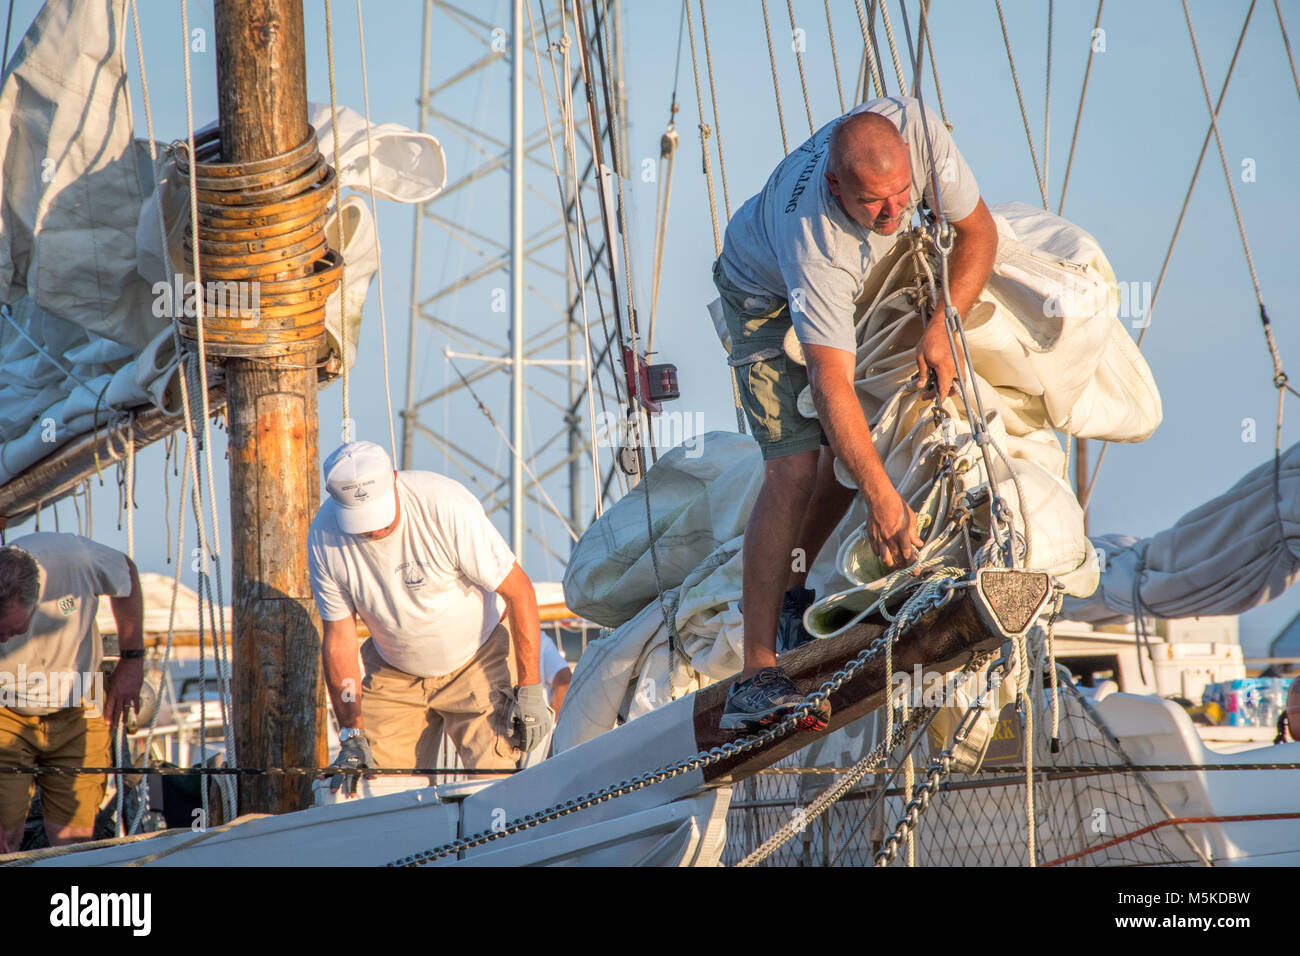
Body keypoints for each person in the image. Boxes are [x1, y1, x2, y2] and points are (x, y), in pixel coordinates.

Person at [715, 96, 998, 731]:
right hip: (759, 296)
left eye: (904, 193)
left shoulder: (921, 135)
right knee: (796, 467)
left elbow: (979, 233)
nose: (896, 211)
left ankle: (793, 594)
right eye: (875, 202)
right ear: (835, 184)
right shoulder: (815, 241)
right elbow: (830, 381)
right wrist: (881, 499)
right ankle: (754, 675)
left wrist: (945, 324)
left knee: (862, 442)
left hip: (851, 278)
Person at [308, 441, 551, 792]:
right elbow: (340, 640)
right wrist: (351, 732)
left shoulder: (445, 504)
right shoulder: (323, 536)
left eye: (378, 514)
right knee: (369, 790)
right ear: (335, 499)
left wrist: (529, 691)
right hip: (393, 673)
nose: (373, 530)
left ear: (394, 480)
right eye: (360, 520)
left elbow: (519, 591)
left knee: (499, 788)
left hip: (477, 661)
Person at [0, 534, 143, 852]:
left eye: (8, 629)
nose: (4, 639)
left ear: (34, 600)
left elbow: (127, 574)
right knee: (3, 838)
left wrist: (133, 659)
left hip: (81, 701)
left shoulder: (74, 559)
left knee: (74, 843)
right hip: (5, 710)